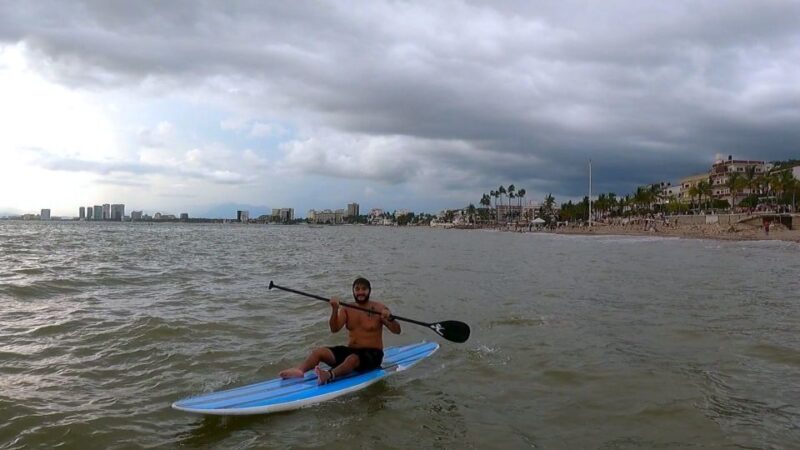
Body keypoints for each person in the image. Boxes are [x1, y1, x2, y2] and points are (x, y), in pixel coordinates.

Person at [279, 277, 402, 384]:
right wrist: (334, 310)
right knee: (319, 352)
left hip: (373, 355)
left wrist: (390, 319)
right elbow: (334, 329)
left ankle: (329, 375)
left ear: (369, 291)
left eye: (364, 289)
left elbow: (397, 331)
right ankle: (299, 370)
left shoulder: (379, 308)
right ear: (353, 291)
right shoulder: (347, 308)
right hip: (352, 351)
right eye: (357, 289)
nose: (360, 292)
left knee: (352, 359)